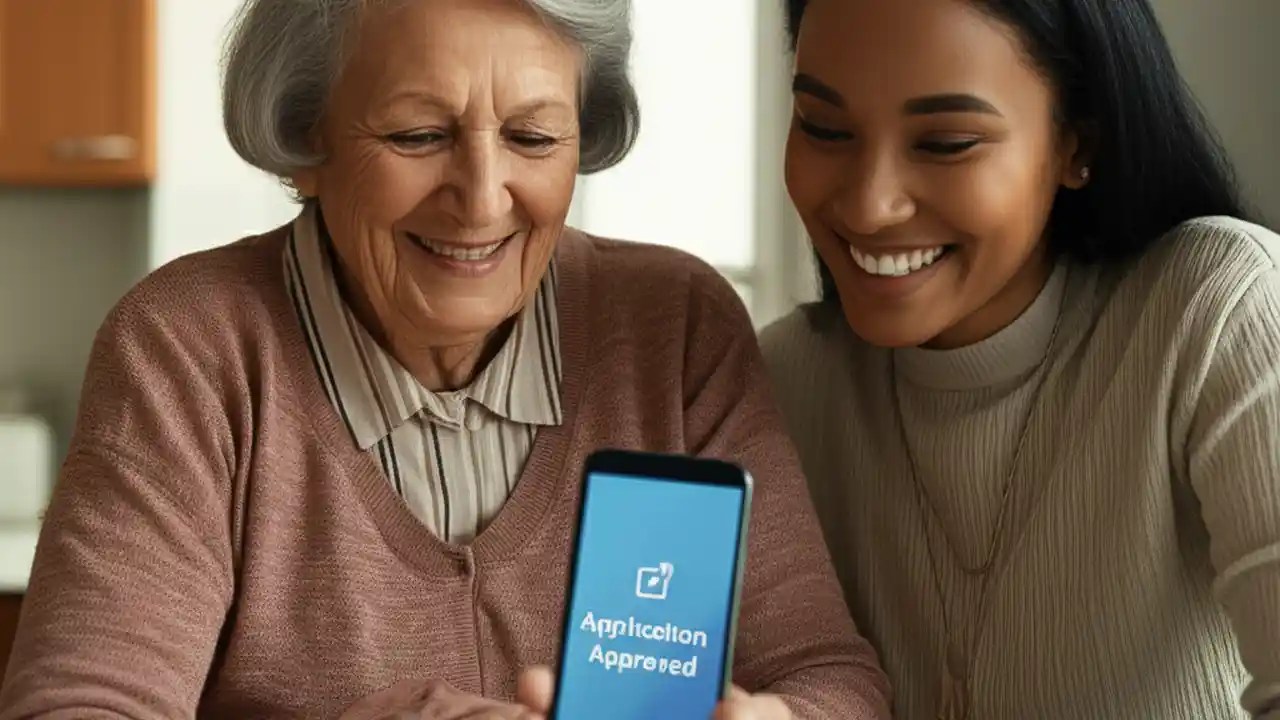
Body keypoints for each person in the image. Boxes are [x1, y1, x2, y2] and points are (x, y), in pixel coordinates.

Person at [0, 0, 893, 718]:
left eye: (535, 139)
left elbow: (827, 676)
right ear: (306, 138)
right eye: (418, 136)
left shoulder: (674, 328)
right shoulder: (190, 348)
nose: (481, 199)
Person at [760, 0, 1280, 718]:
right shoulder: (781, 383)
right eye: (824, 127)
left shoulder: (1219, 311)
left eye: (945, 142)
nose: (870, 204)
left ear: (1077, 144)